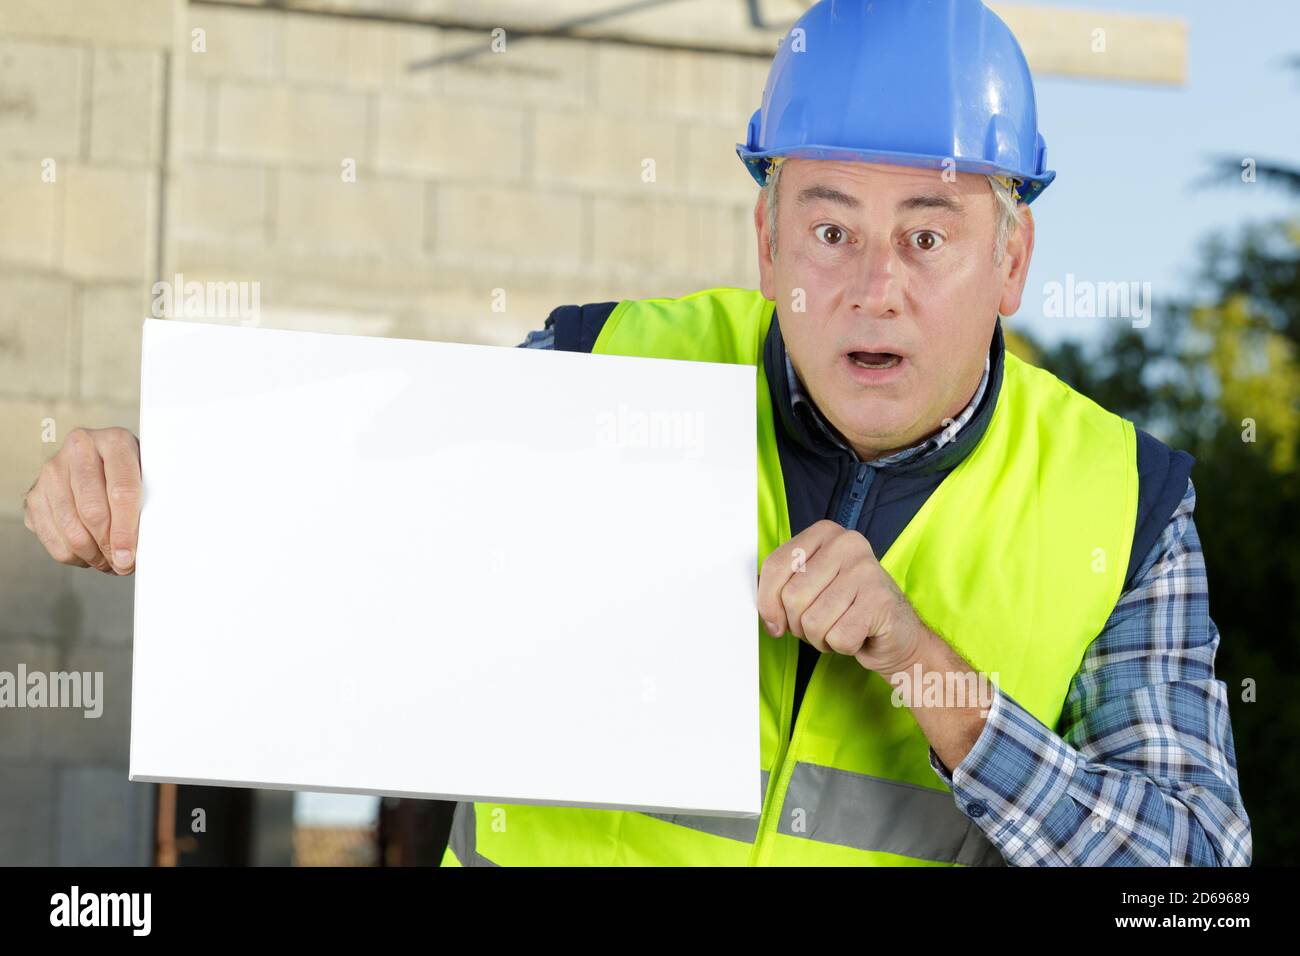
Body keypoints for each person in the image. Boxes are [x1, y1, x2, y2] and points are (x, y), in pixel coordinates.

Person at [24, 0, 1250, 866]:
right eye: (830, 230)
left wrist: (925, 669)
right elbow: (359, 536)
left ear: (1013, 260)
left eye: (927, 234)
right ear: (766, 239)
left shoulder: (1121, 505)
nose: (875, 286)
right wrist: (156, 490)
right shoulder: (601, 366)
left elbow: (1193, 869)